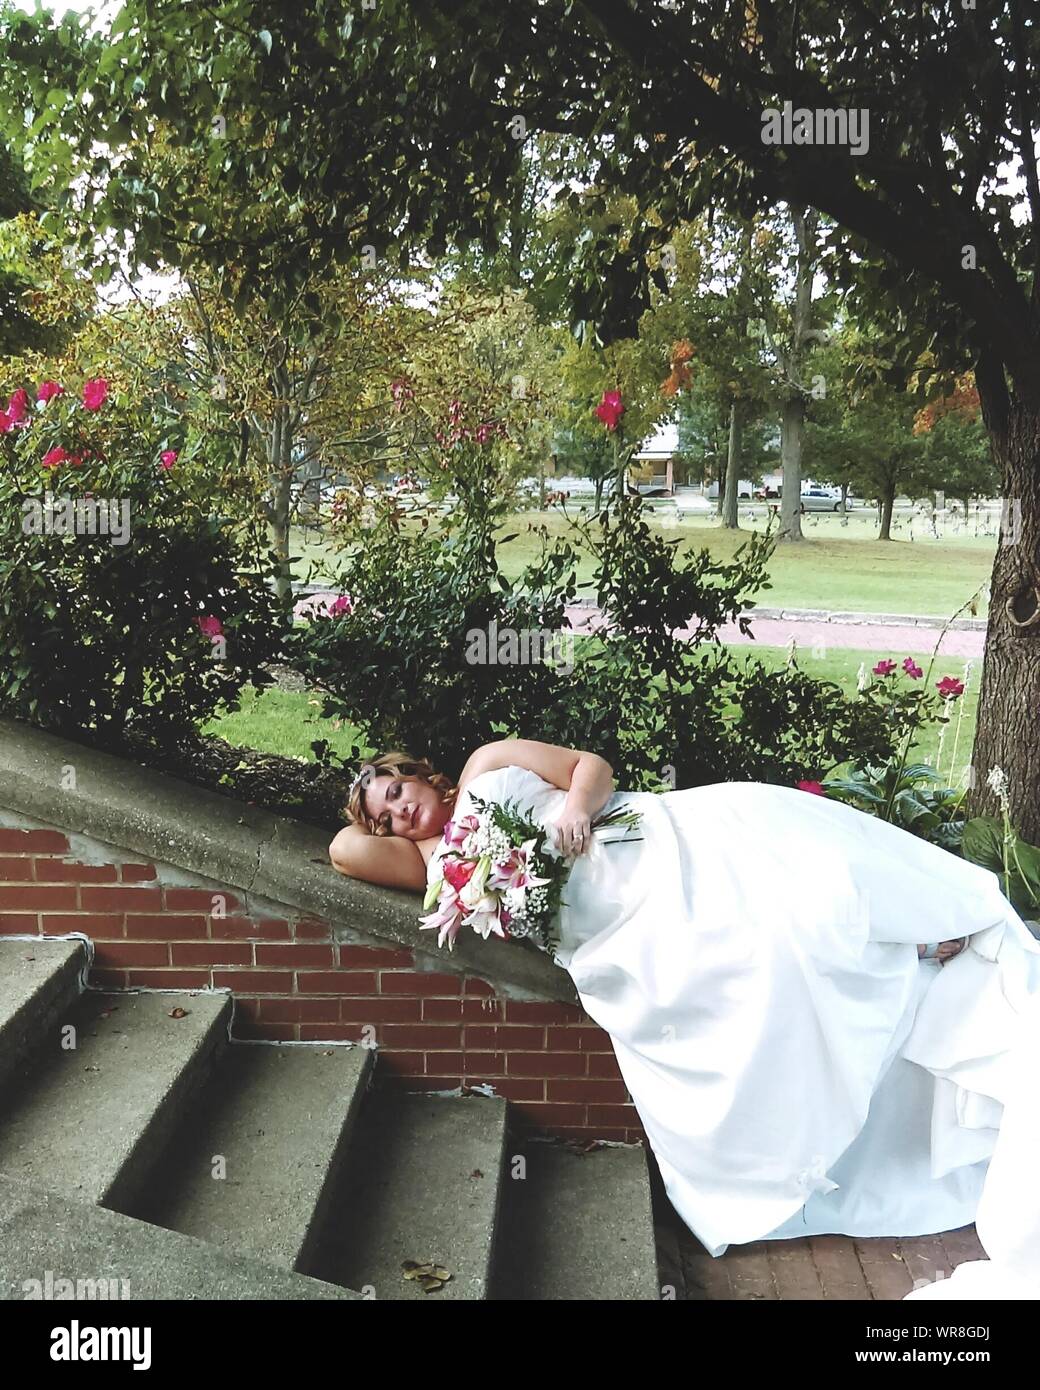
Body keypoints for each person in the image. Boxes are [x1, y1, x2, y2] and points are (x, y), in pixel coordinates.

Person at [329, 738, 1040, 1259]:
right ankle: (894, 970)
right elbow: (341, 852)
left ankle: (909, 937)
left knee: (790, 889)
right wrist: (375, 822)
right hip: (608, 935)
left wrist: (574, 808)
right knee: (760, 968)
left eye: (395, 792)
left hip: (645, 846)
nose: (397, 814)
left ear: (418, 772)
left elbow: (590, 767)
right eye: (383, 817)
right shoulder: (428, 864)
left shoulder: (488, 764)